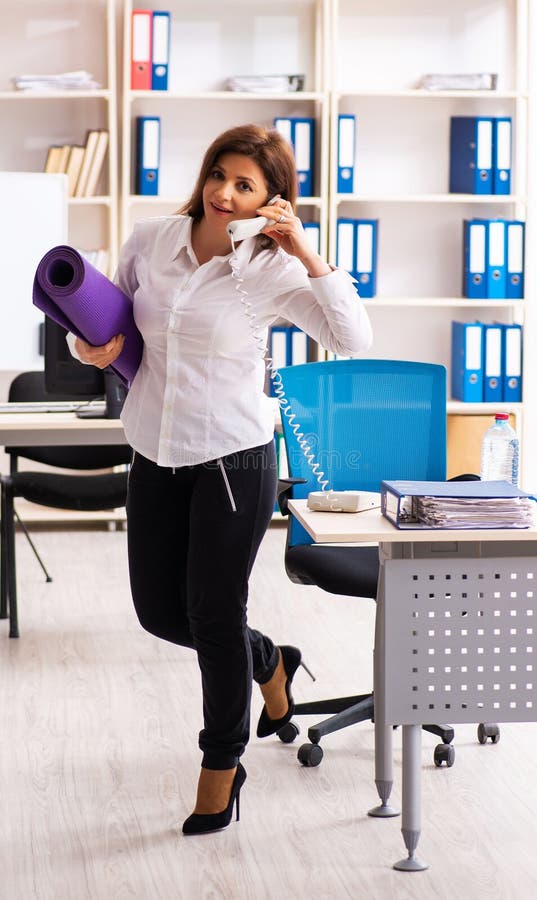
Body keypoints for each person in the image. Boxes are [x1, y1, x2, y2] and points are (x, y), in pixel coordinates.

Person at [71, 124, 372, 835]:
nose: (223, 194)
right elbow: (104, 322)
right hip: (154, 447)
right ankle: (267, 659)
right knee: (160, 614)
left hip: (233, 457)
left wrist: (303, 248)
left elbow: (351, 339)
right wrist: (88, 345)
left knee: (211, 616)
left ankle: (221, 766)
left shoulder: (272, 270)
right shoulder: (151, 238)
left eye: (245, 186)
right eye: (219, 175)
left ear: (271, 201)